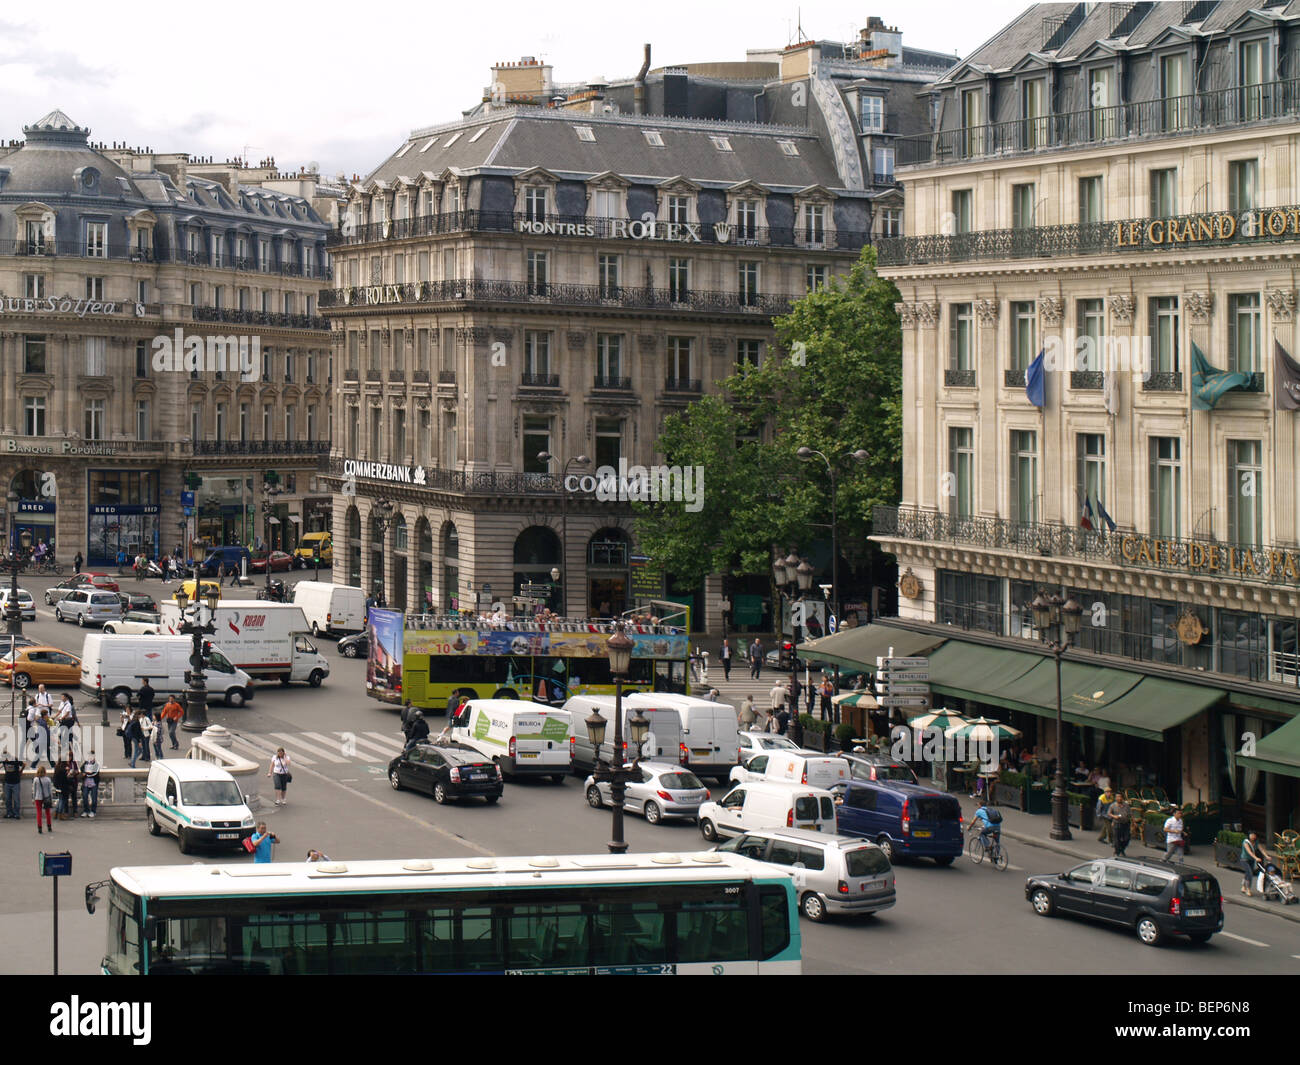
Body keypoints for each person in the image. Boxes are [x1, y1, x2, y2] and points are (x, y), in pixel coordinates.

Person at [1240, 832, 1268, 897]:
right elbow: (1249, 852)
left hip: (1251, 860)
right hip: (1244, 860)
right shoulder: (1246, 842)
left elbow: (1261, 849)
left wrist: (1266, 856)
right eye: (1251, 835)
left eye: (1254, 835)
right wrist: (1256, 858)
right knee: (1249, 873)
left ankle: (1243, 886)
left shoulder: (1256, 842)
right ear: (1249, 835)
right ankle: (1248, 889)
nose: (1253, 836)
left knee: (1247, 873)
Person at [1107, 791, 1132, 857]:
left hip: (1125, 824)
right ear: (1115, 798)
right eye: (1117, 797)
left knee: (1127, 838)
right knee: (1117, 839)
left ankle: (1121, 849)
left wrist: (1133, 822)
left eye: (1120, 797)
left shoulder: (1126, 805)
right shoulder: (1113, 805)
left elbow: (1130, 814)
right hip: (1117, 823)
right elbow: (1109, 813)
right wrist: (1114, 816)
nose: (1119, 798)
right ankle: (1117, 852)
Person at [33, 765, 54, 833]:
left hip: (38, 797)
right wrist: (51, 798)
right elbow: (50, 790)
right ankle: (49, 826)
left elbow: (34, 790)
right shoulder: (48, 779)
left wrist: (33, 798)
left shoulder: (36, 779)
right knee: (48, 813)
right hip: (46, 797)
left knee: (39, 813)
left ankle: (39, 827)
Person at [2, 748, 22, 818]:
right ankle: (9, 813)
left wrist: (20, 772)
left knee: (16, 799)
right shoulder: (4, 761)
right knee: (7, 799)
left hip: (15, 782)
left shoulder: (15, 760)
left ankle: (16, 814)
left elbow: (23, 764)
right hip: (7, 782)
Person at [80, 752, 99, 818]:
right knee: (85, 797)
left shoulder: (96, 764)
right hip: (86, 783)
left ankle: (93, 811)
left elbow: (95, 773)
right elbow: (81, 768)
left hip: (93, 783)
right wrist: (83, 772)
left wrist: (87, 774)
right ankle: (86, 810)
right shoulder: (86, 763)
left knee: (94, 798)